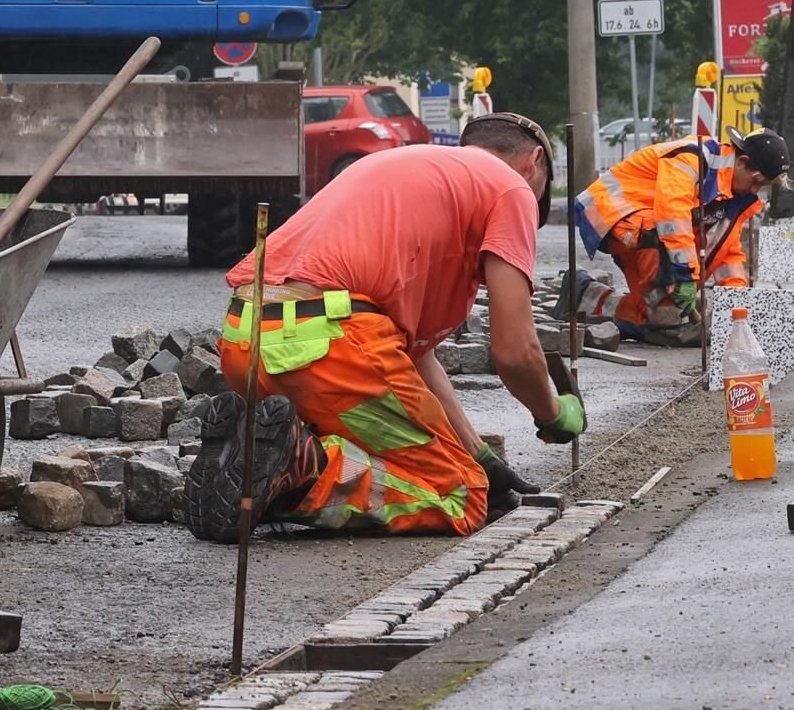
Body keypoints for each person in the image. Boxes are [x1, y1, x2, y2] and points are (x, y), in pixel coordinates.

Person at [185, 112, 584, 541]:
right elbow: (514, 351)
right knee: (464, 497)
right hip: (329, 344)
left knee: (421, 467)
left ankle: (251, 469)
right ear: (534, 163)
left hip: (246, 337)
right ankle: (305, 472)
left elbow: (411, 361)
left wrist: (478, 454)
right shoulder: (511, 187)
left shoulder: (411, 172)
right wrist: (554, 412)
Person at [566, 127, 788, 345]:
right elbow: (672, 216)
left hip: (648, 233)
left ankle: (584, 295)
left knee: (662, 315)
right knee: (668, 317)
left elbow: (726, 252)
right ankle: (658, 315)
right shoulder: (693, 157)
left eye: (762, 186)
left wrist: (737, 306)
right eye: (756, 181)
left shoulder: (736, 197)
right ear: (741, 162)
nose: (754, 191)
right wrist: (685, 275)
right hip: (614, 213)